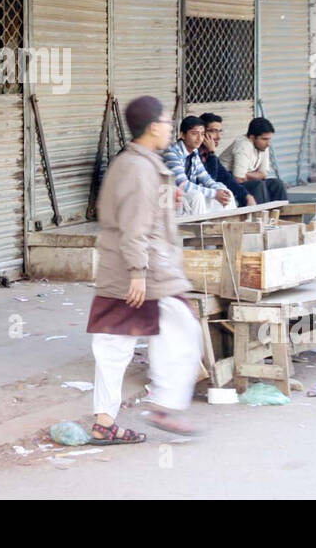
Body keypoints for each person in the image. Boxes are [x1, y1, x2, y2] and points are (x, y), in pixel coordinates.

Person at [88, 95, 202, 442]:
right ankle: (164, 407)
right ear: (154, 127)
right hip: (144, 273)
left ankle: (105, 422)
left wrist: (170, 199)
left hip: (124, 269)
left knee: (113, 345)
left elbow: (143, 212)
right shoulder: (139, 168)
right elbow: (134, 226)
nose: (171, 128)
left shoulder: (139, 164)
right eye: (168, 123)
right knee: (181, 331)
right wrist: (137, 273)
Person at [162, 115, 233, 216]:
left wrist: (219, 191)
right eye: (194, 134)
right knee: (196, 196)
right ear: (182, 135)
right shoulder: (172, 153)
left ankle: (225, 226)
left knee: (224, 190)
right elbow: (183, 185)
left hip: (182, 198)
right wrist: (214, 194)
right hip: (167, 199)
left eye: (202, 134)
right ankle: (198, 229)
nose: (200, 138)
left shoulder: (194, 152)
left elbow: (206, 178)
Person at [221, 117, 288, 203]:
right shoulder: (243, 146)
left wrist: (247, 175)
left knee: (277, 184)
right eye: (264, 139)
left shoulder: (263, 146)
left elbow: (263, 174)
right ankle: (262, 215)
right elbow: (238, 178)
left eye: (269, 139)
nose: (268, 143)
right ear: (252, 138)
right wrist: (255, 175)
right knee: (258, 185)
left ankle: (281, 215)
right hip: (228, 183)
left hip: (243, 179)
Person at [197, 114, 252, 207]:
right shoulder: (194, 153)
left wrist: (247, 196)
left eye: (220, 131)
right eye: (214, 131)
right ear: (202, 132)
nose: (218, 136)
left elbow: (226, 178)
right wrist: (211, 153)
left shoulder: (208, 154)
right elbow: (211, 179)